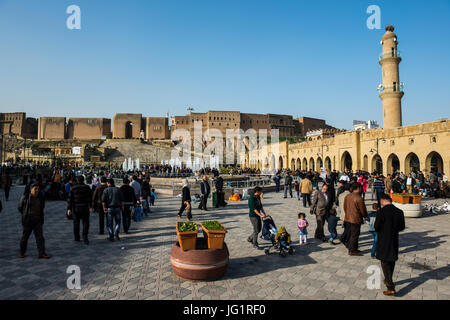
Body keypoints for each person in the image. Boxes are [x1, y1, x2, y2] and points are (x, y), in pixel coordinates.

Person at [375, 193, 405, 296]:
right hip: (394, 239)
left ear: (382, 201)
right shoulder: (399, 212)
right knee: (391, 260)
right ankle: (388, 278)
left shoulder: (381, 212)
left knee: (384, 261)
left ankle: (390, 286)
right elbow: (402, 227)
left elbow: (376, 227)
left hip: (383, 239)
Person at [18, 183, 50, 259]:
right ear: (30, 189)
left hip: (38, 219)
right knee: (25, 237)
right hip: (28, 220)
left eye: (38, 189)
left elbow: (42, 207)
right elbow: (20, 207)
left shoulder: (40, 197)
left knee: (40, 237)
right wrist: (26, 214)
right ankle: (22, 252)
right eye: (35, 188)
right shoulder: (25, 197)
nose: (37, 190)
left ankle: (41, 253)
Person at [343, 182, 368, 256]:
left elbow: (345, 207)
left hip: (347, 218)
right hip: (356, 219)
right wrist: (365, 216)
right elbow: (363, 210)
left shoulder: (347, 196)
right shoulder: (359, 198)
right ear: (358, 188)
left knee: (351, 234)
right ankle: (352, 250)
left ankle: (354, 248)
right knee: (355, 235)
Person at [67, 175, 92, 245]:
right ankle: (85, 237)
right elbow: (90, 197)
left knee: (76, 223)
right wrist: (91, 206)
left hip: (75, 207)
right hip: (85, 207)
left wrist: (69, 208)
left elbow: (70, 199)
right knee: (86, 222)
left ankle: (77, 237)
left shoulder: (73, 188)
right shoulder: (87, 187)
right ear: (83, 180)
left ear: (77, 180)